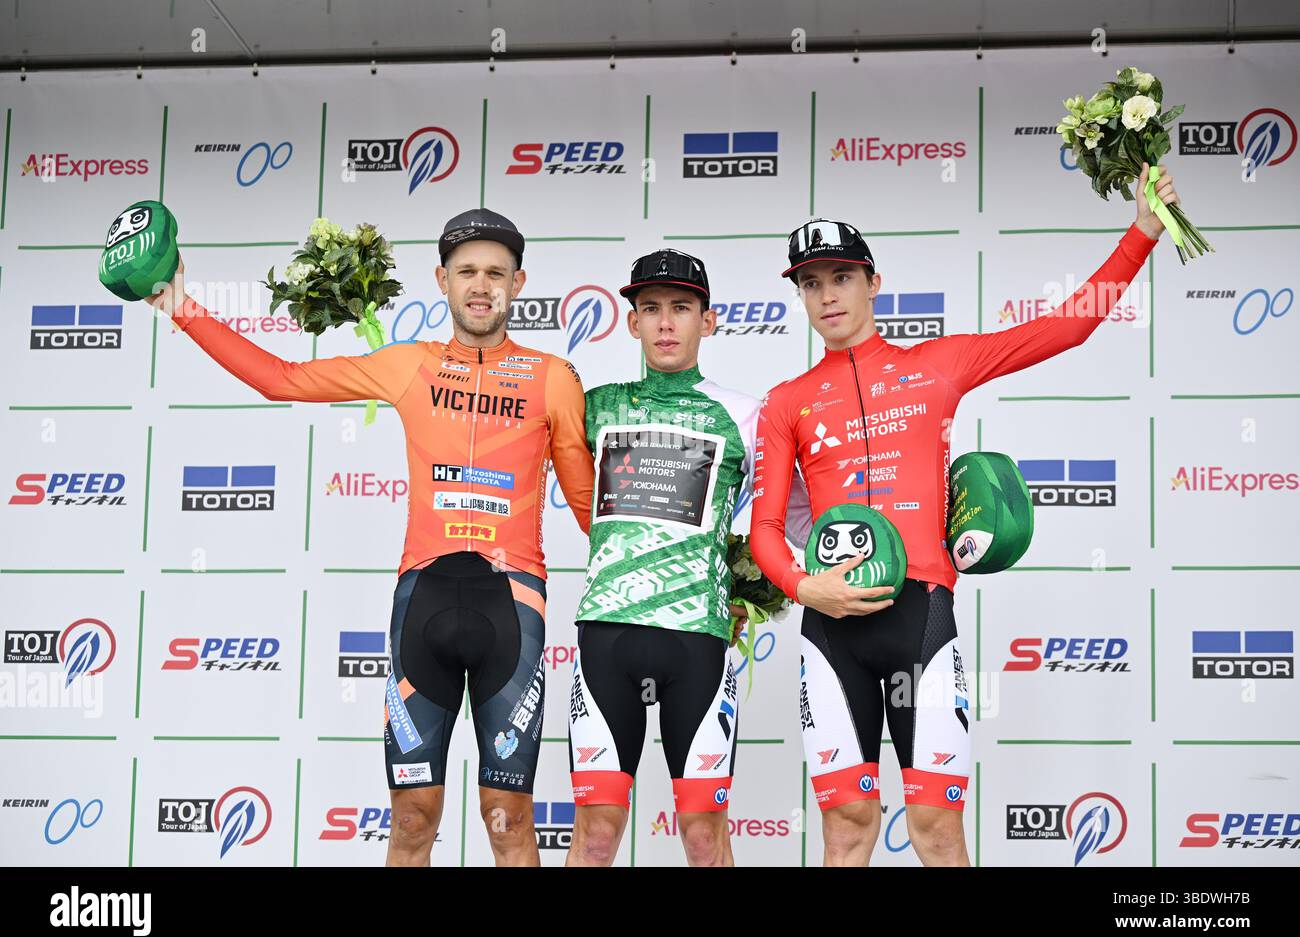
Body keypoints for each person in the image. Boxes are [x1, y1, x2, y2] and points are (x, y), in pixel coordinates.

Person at [750, 163, 1179, 866]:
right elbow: (766, 528)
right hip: (831, 629)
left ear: (872, 282)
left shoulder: (936, 366)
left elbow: (1068, 328)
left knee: (937, 829)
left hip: (920, 617)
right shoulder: (786, 401)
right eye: (811, 283)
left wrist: (1143, 231)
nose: (827, 296)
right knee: (847, 826)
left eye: (841, 277)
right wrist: (805, 588)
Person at [147, 208, 593, 867]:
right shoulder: (406, 364)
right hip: (425, 602)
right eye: (466, 270)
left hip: (514, 608)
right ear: (441, 280)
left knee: (509, 818)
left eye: (496, 272)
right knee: (413, 819)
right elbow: (283, 380)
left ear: (518, 283)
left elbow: (590, 508)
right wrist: (182, 307)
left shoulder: (554, 377)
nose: (481, 284)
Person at [565, 249, 809, 867]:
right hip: (607, 635)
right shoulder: (595, 405)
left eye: (681, 308)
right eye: (650, 309)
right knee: (595, 836)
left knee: (703, 836)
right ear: (632, 323)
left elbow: (797, 515)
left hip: (697, 639)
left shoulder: (747, 413)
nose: (666, 323)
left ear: (709, 320)